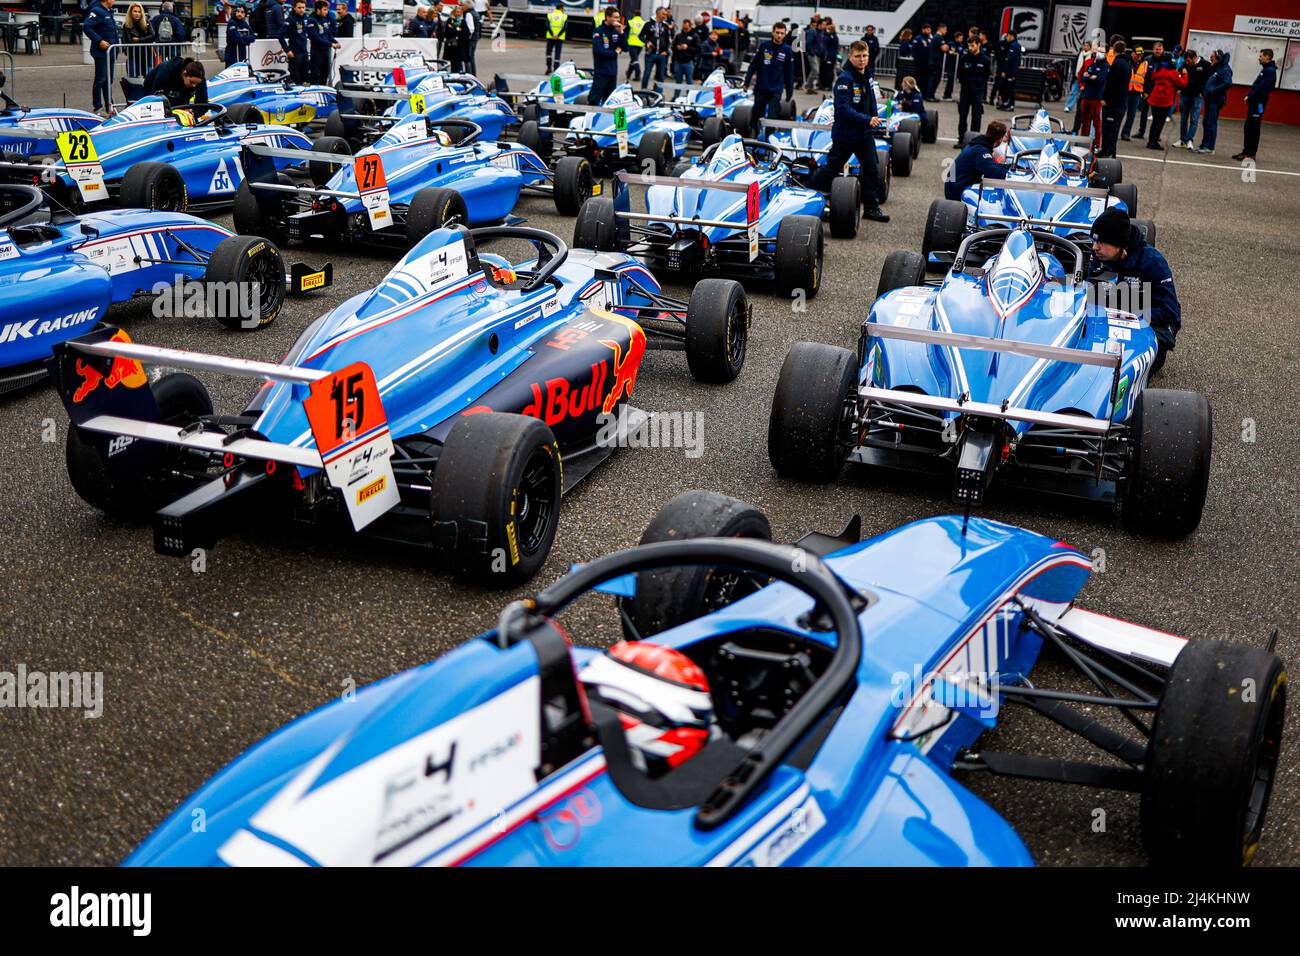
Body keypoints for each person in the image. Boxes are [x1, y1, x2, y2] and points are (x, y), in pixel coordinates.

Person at [1089, 207, 1181, 373]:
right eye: (1094, 241)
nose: (1095, 247)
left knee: (1124, 367)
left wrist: (1130, 316)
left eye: (1101, 242)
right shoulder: (1098, 258)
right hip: (1111, 319)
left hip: (1150, 325)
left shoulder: (1152, 262)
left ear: (1120, 244)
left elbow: (1170, 313)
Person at [811, 40, 888, 222]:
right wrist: (867, 119)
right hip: (846, 134)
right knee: (831, 169)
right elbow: (843, 110)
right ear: (850, 56)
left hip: (864, 133)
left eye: (865, 56)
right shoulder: (845, 79)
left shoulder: (867, 74)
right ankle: (807, 192)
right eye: (858, 56)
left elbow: (870, 102)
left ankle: (871, 208)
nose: (862, 60)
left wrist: (874, 119)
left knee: (871, 169)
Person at [742, 20, 793, 137]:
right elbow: (753, 66)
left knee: (772, 117)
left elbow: (789, 73)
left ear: (785, 34)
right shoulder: (764, 46)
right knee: (756, 115)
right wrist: (746, 83)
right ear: (773, 32)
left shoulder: (787, 50)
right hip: (761, 88)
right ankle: (754, 136)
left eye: (782, 33)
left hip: (776, 90)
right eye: (777, 32)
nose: (779, 35)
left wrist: (790, 92)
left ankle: (769, 143)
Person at [945, 119, 1008, 199]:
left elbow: (992, 166)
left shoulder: (977, 144)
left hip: (955, 185)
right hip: (957, 192)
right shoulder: (980, 151)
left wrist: (1011, 167)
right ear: (1000, 139)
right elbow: (996, 173)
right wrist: (1014, 174)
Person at [1234, 48, 1276, 163]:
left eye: (1261, 56)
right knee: (1248, 127)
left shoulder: (1270, 71)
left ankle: (1251, 154)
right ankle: (1245, 152)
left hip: (1258, 104)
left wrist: (1250, 97)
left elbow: (1262, 88)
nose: (1259, 57)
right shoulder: (1266, 70)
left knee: (1253, 129)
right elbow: (1258, 86)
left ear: (1267, 57)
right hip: (1255, 103)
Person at [83, 0, 120, 117]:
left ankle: (109, 105)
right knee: (100, 79)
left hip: (110, 52)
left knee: (108, 80)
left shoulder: (109, 11)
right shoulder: (97, 11)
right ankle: (97, 107)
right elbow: (87, 27)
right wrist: (99, 41)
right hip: (101, 53)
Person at [954, 32, 991, 146]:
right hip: (965, 91)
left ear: (978, 44)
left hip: (978, 92)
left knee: (976, 117)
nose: (970, 48)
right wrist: (965, 82)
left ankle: (974, 141)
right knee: (962, 116)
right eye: (969, 46)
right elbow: (959, 74)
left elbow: (986, 76)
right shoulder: (964, 58)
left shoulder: (985, 60)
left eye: (973, 46)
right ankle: (961, 140)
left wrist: (979, 85)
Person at [1145, 50, 1185, 150]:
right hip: (1165, 100)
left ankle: (1150, 141)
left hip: (1155, 98)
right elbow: (1183, 83)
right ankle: (1154, 142)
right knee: (1160, 122)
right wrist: (1185, 74)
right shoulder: (1173, 73)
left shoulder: (1157, 70)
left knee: (1155, 121)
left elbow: (1152, 77)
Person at [1173, 49, 1210, 148]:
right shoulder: (1185, 65)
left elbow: (1209, 80)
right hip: (1185, 95)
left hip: (1197, 97)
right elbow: (1177, 74)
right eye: (1186, 61)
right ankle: (1182, 140)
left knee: (1194, 120)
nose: (1187, 63)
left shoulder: (1205, 64)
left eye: (1189, 60)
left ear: (1194, 57)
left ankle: (1189, 140)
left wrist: (1203, 92)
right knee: (1183, 119)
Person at [1197, 50, 1231, 154]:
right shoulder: (1216, 68)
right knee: (1206, 122)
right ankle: (1204, 144)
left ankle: (1210, 147)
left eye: (1212, 57)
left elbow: (1227, 83)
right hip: (1209, 100)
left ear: (1218, 58)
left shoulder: (1225, 69)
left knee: (1211, 123)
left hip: (1215, 101)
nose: (1210, 58)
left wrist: (1213, 90)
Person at [590, 7, 625, 105]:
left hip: (613, 72)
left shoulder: (616, 30)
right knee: (594, 99)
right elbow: (599, 51)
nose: (617, 20)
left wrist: (621, 32)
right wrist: (615, 52)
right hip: (601, 72)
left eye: (618, 17)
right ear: (608, 17)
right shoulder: (599, 31)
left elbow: (626, 48)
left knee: (609, 102)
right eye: (615, 17)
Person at [1099, 39, 1129, 158]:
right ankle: (1111, 151)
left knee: (1109, 129)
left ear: (1114, 50)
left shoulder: (1117, 64)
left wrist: (1105, 98)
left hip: (1113, 103)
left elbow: (1111, 83)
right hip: (1121, 102)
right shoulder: (1127, 63)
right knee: (1114, 129)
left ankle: (1107, 151)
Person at [1076, 49, 1107, 151]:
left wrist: (1090, 78)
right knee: (1084, 121)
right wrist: (1091, 78)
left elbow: (1100, 80)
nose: (1098, 53)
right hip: (1086, 96)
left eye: (1101, 51)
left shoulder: (1106, 66)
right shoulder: (1092, 65)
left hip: (1097, 98)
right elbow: (1083, 77)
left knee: (1097, 123)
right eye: (1098, 50)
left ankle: (1097, 145)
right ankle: (1083, 142)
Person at [122, 2, 154, 86]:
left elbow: (152, 36)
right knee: (133, 80)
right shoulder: (127, 25)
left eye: (139, 12)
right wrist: (144, 40)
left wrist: (139, 40)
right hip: (133, 55)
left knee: (149, 79)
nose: (137, 14)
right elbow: (129, 41)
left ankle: (148, 98)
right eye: (135, 11)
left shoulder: (146, 22)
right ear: (130, 12)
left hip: (147, 55)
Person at [307, 0, 339, 84]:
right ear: (318, 10)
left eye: (327, 9)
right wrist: (331, 44)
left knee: (325, 74)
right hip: (317, 52)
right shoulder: (311, 20)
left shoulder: (324, 20)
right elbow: (315, 38)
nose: (326, 12)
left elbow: (328, 35)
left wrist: (335, 41)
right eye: (324, 9)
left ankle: (323, 92)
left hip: (325, 51)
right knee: (315, 74)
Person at [640, 7, 671, 93]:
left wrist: (666, 51)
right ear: (658, 13)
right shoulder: (648, 24)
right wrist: (647, 42)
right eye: (663, 14)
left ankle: (658, 93)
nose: (665, 16)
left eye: (666, 14)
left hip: (662, 55)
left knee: (660, 76)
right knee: (647, 74)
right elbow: (640, 36)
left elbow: (669, 40)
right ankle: (643, 92)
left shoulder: (665, 26)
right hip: (650, 54)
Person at [280, 0, 311, 83]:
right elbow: (280, 35)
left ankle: (306, 94)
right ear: (294, 8)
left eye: (303, 7)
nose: (301, 10)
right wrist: (287, 50)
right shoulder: (290, 19)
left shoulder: (306, 17)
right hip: (294, 53)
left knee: (306, 77)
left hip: (304, 52)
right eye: (299, 7)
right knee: (295, 77)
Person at [1121, 45, 1147, 140]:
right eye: (1137, 54)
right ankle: (1115, 131)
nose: (1139, 57)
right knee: (1121, 113)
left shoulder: (1144, 63)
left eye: (1141, 55)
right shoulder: (1126, 61)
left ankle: (1126, 133)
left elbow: (1147, 78)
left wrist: (1145, 91)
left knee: (1131, 115)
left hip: (1137, 92)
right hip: (1126, 91)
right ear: (1132, 53)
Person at [996, 30, 1021, 109]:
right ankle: (1007, 103)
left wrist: (1004, 70)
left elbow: (1009, 59)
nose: (1007, 38)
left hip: (1010, 71)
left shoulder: (1013, 45)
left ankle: (1009, 103)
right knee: (1007, 87)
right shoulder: (1017, 45)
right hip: (1013, 70)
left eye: (1008, 36)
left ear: (1011, 36)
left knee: (1008, 88)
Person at [670, 17, 698, 89]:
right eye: (684, 27)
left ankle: (690, 97)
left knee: (689, 81)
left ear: (690, 27)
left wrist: (687, 47)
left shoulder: (694, 36)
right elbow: (673, 47)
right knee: (678, 82)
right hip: (678, 62)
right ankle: (675, 97)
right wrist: (677, 47)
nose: (685, 29)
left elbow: (698, 49)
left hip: (689, 62)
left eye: (686, 28)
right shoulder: (679, 36)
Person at [1065, 40, 1091, 112]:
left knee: (1085, 94)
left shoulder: (1092, 55)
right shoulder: (1079, 54)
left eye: (1087, 46)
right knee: (1073, 92)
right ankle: (1068, 106)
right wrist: (1075, 72)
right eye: (1084, 45)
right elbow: (1074, 64)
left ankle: (1083, 109)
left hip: (1086, 78)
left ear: (1090, 47)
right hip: (1077, 76)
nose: (1085, 47)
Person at [926, 23, 948, 100]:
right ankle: (930, 96)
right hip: (936, 62)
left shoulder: (935, 37)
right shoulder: (939, 38)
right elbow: (944, 48)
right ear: (941, 29)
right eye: (945, 29)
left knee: (934, 78)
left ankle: (930, 95)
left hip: (934, 61)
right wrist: (947, 47)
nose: (946, 31)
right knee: (934, 79)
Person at [544, 2, 567, 73]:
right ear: (561, 8)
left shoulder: (550, 15)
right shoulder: (564, 16)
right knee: (557, 53)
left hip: (550, 37)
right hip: (559, 38)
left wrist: (552, 34)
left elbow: (547, 26)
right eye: (563, 8)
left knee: (549, 53)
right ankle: (556, 70)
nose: (564, 10)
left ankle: (548, 67)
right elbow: (565, 28)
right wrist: (558, 35)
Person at [913, 23, 932, 104]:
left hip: (927, 64)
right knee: (918, 80)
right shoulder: (918, 38)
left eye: (930, 29)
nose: (929, 31)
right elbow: (914, 51)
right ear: (923, 29)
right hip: (919, 64)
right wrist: (917, 60)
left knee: (926, 80)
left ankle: (924, 95)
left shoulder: (930, 38)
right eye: (927, 29)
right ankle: (917, 95)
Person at [625, 10, 644, 81]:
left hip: (632, 43)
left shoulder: (631, 22)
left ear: (634, 15)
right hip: (640, 44)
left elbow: (626, 33)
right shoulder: (643, 23)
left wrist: (624, 43)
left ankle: (638, 72)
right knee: (633, 58)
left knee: (634, 59)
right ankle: (629, 73)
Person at [819, 19, 838, 91]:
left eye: (828, 29)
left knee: (829, 71)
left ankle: (829, 85)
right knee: (824, 71)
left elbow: (828, 44)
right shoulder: (829, 36)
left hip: (830, 56)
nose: (827, 30)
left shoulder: (832, 36)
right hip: (827, 56)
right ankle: (823, 84)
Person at [943, 30, 961, 99]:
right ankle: (946, 94)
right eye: (960, 38)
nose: (961, 39)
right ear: (956, 38)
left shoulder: (962, 46)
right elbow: (948, 51)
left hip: (958, 66)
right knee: (950, 79)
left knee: (955, 80)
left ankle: (950, 94)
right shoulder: (950, 44)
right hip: (950, 65)